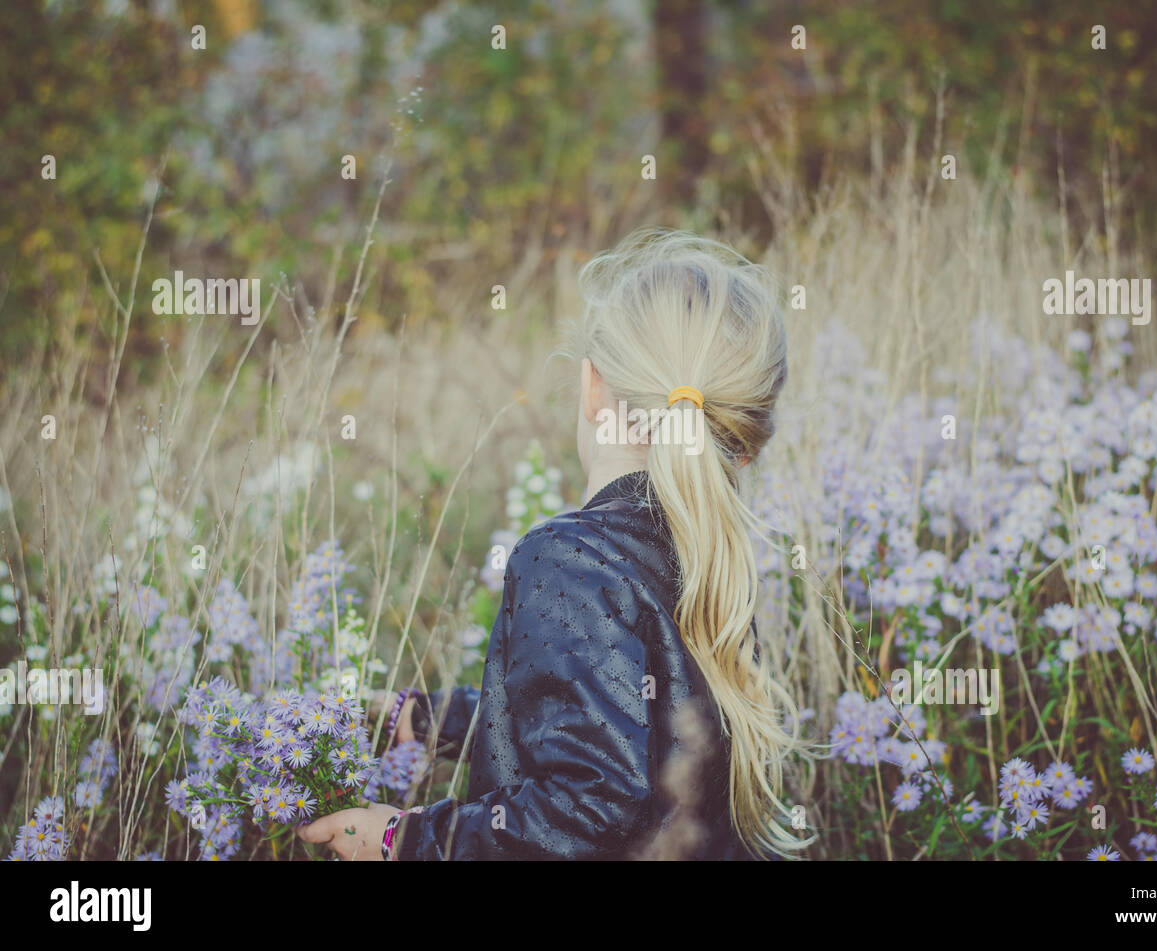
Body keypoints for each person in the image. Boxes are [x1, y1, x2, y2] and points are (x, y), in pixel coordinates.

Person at [298, 227, 812, 860]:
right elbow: (628, 718)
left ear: (594, 387)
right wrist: (433, 721)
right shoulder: (708, 556)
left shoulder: (566, 560)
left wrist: (402, 839)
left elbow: (591, 807)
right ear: (748, 435)